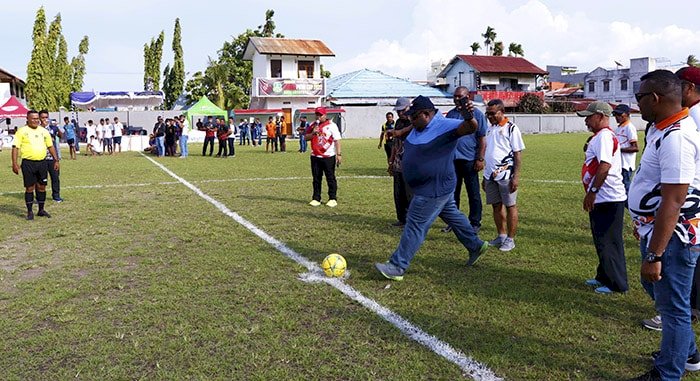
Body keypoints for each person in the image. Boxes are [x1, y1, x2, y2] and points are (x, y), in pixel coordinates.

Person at [627, 70, 700, 381]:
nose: (636, 103)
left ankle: (668, 374)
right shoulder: (661, 129)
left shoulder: (678, 137)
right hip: (658, 230)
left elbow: (674, 199)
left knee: (673, 309)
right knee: (660, 293)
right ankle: (689, 354)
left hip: (675, 237)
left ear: (654, 99)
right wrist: (643, 221)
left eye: (639, 97)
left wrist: (655, 254)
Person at [374, 95, 487, 281]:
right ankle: (475, 245)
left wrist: (469, 117)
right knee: (452, 215)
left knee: (415, 223)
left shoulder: (446, 126)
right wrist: (401, 133)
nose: (409, 119)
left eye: (413, 116)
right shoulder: (420, 124)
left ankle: (397, 265)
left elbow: (470, 128)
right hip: (432, 186)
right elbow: (412, 127)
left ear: (426, 114)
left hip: (433, 187)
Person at [577, 101, 628, 295]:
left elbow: (604, 165)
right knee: (601, 239)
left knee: (609, 241)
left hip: (608, 197)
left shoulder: (604, 137)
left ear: (600, 116)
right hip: (604, 197)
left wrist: (593, 191)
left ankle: (617, 283)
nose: (586, 122)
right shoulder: (600, 136)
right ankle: (604, 276)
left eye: (589, 117)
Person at [443, 86, 488, 234]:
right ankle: (453, 222)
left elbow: (482, 139)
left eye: (459, 96)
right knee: (452, 194)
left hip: (469, 160)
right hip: (452, 161)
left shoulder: (477, 114)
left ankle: (475, 222)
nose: (456, 99)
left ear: (467, 97)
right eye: (455, 96)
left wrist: (480, 158)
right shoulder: (450, 114)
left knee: (473, 193)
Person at [483, 99, 525, 252]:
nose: (489, 116)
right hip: (490, 175)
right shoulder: (489, 129)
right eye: (487, 113)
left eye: (492, 113)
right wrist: (484, 176)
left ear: (502, 112)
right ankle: (501, 235)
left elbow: (517, 154)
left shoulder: (511, 129)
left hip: (506, 174)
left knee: (510, 206)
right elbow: (489, 152)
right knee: (496, 205)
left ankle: (510, 239)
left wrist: (516, 176)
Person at [677, 66, 700, 328]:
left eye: (678, 85)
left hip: (691, 196)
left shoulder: (694, 115)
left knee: (685, 258)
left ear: (690, 88)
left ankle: (687, 308)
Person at [11, 110, 60, 220]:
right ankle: (29, 212)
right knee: (29, 188)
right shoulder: (22, 131)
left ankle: (41, 210)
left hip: (42, 163)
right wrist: (14, 163)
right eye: (33, 118)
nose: (35, 120)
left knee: (42, 187)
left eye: (37, 118)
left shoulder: (44, 131)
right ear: (27, 119)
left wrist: (56, 160)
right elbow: (15, 148)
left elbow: (50, 146)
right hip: (28, 163)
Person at [304, 107, 342, 207]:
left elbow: (337, 140)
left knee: (330, 178)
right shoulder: (313, 125)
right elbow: (306, 137)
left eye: (320, 115)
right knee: (316, 178)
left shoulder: (332, 126)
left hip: (328, 156)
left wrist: (339, 154)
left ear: (325, 115)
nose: (318, 117)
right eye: (317, 114)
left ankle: (332, 198)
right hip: (315, 156)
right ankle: (316, 198)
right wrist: (313, 133)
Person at [388, 97, 413, 227]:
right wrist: (391, 162)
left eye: (402, 110)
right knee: (398, 193)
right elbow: (395, 143)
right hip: (398, 163)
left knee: (410, 194)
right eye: (398, 111)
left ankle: (411, 220)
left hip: (411, 164)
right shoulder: (398, 122)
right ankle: (401, 218)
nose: (400, 113)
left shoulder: (415, 122)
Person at [612, 104, 638, 195]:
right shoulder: (619, 128)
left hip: (626, 164)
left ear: (627, 114)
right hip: (619, 163)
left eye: (619, 114)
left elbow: (635, 147)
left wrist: (618, 150)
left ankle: (631, 206)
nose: (617, 117)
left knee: (626, 188)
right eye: (615, 115)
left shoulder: (629, 127)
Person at [42, 112, 63, 202]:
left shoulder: (52, 128)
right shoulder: (37, 129)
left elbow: (61, 136)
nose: (44, 119)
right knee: (41, 179)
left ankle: (56, 196)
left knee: (55, 177)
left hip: (52, 157)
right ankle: (40, 196)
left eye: (46, 117)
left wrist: (57, 129)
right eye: (42, 117)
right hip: (41, 158)